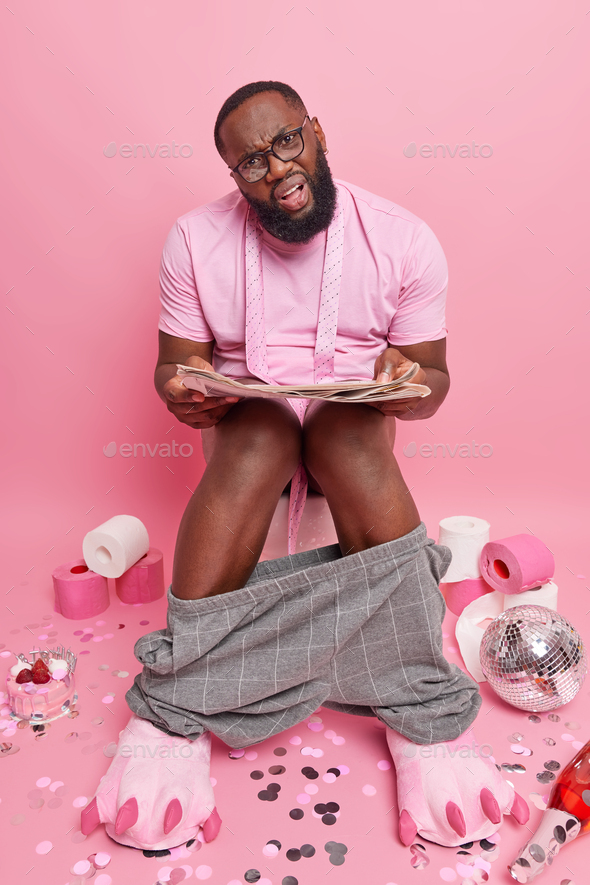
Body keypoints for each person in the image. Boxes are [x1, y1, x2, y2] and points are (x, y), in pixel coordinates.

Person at [81, 80, 529, 852]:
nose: (276, 169)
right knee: (260, 430)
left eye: (287, 141)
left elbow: (434, 377)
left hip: (352, 439)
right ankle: (178, 706)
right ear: (232, 176)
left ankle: (418, 706)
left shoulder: (403, 237)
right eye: (250, 162)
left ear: (317, 131)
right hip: (245, 437)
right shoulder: (193, 238)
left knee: (344, 430)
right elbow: (174, 365)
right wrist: (183, 393)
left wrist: (410, 384)